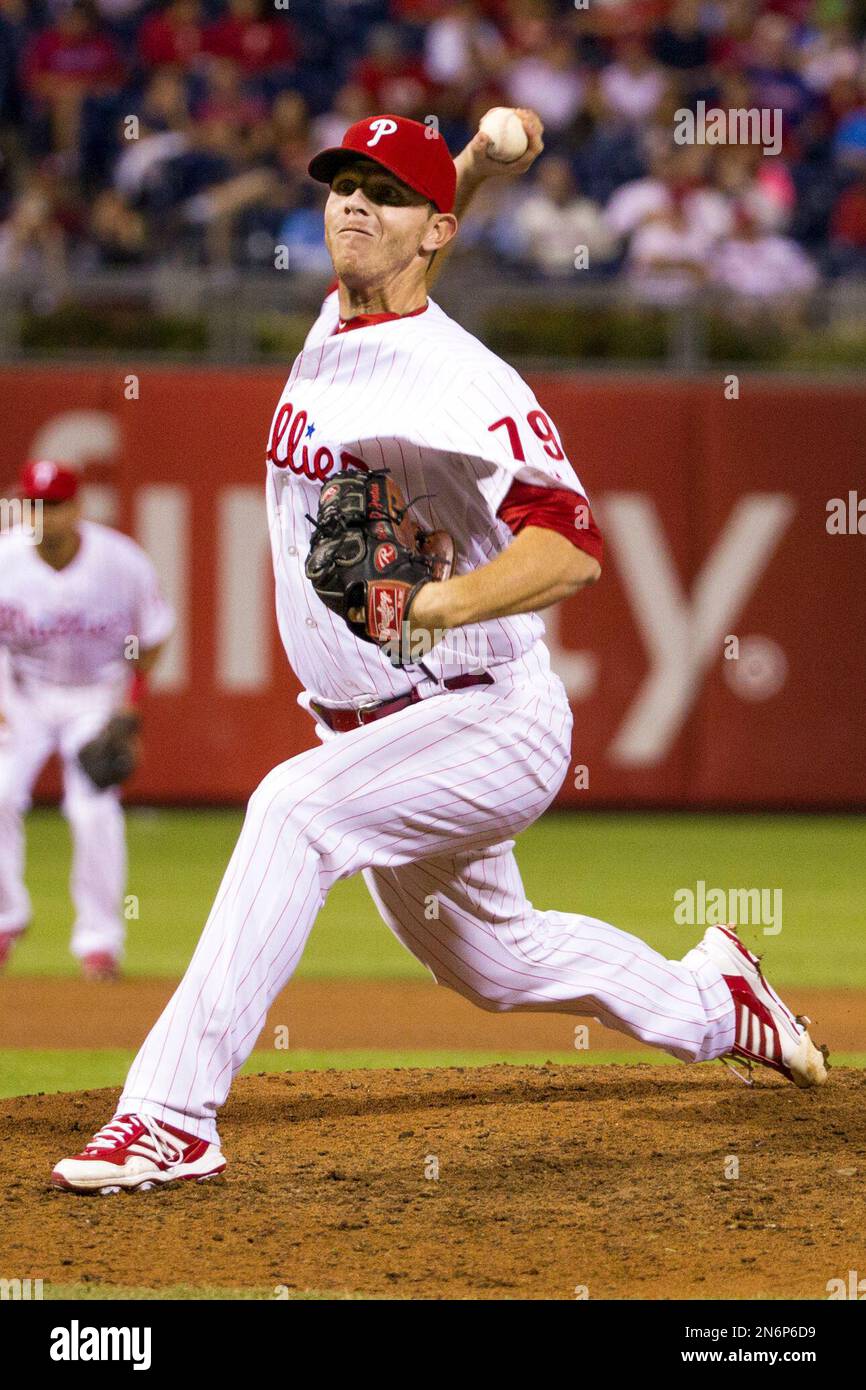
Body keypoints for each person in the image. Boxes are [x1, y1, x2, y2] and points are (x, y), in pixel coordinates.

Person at [51, 110, 828, 1195]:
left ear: (434, 232)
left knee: (292, 810)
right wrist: (471, 164)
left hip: (484, 714)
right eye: (343, 186)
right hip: (380, 730)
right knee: (498, 964)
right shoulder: (342, 315)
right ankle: (716, 1001)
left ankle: (170, 1117)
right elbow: (411, 234)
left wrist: (441, 601)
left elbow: (573, 548)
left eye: (382, 194)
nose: (354, 206)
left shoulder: (461, 380)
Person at [0, 460, 174, 979]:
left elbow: (151, 638)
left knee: (93, 811)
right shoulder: (5, 558)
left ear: (77, 508)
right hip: (23, 694)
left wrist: (128, 708)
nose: (43, 515)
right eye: (33, 504)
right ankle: (6, 919)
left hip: (96, 695)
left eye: (54, 505)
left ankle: (99, 941)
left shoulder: (121, 562)